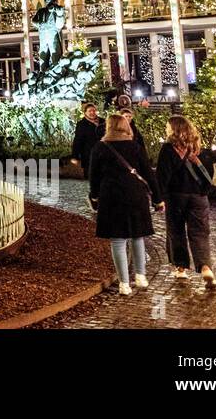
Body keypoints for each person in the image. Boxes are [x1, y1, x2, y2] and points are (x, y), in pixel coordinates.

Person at [89, 112, 163, 296]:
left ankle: (124, 282)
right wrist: (158, 198)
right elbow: (148, 172)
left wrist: (95, 196)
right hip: (135, 194)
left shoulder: (100, 147)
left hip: (111, 195)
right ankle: (141, 275)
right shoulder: (135, 147)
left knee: (117, 239)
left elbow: (94, 175)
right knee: (137, 236)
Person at [156, 116, 216, 289]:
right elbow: (207, 175)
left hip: (176, 196)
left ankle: (181, 267)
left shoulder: (168, 149)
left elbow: (162, 176)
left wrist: (159, 199)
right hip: (198, 196)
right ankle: (205, 267)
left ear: (173, 129)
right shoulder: (198, 148)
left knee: (176, 231)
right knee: (200, 233)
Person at [69, 102, 105, 175]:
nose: (92, 112)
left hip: (102, 152)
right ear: (85, 112)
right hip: (88, 153)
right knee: (90, 174)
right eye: (89, 111)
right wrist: (75, 156)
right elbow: (78, 140)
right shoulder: (82, 124)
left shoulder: (103, 122)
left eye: (94, 110)